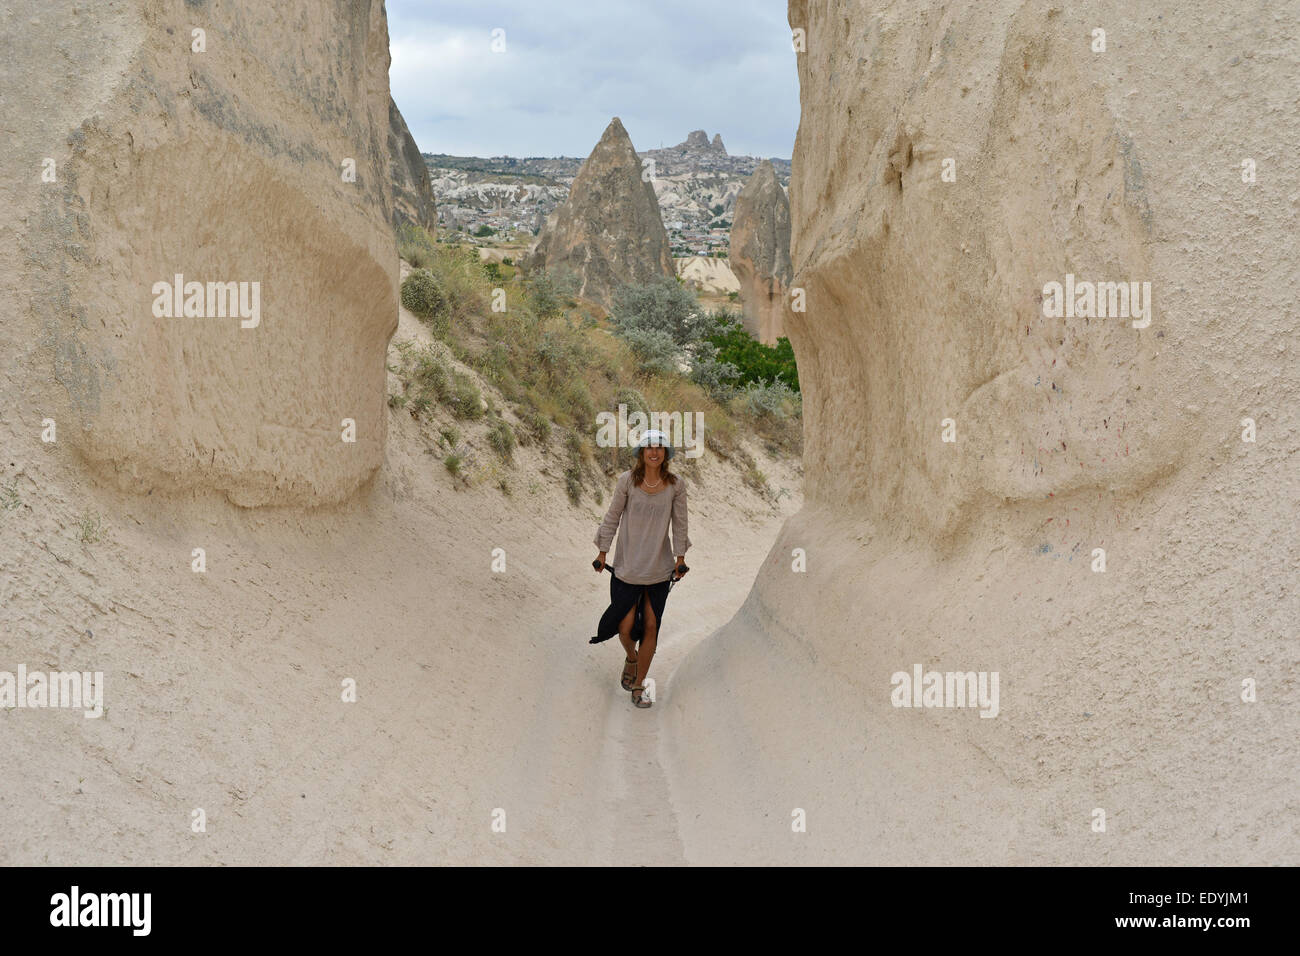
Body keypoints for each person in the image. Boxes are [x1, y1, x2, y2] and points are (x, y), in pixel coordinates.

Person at [591, 429, 690, 708]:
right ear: (641, 453)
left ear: (666, 454)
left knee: (650, 626)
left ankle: (639, 685)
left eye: (660, 447)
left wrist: (680, 558)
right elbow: (612, 516)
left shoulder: (675, 485)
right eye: (649, 447)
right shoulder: (627, 482)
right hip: (627, 567)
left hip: (659, 569)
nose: (654, 452)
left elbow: (680, 524)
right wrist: (602, 551)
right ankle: (631, 658)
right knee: (624, 628)